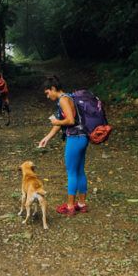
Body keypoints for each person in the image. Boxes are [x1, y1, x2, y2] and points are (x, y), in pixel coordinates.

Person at [37, 75, 88, 216]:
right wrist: (47, 137)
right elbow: (62, 121)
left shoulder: (63, 100)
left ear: (53, 89)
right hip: (82, 137)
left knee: (72, 173)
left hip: (75, 139)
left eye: (48, 93)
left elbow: (69, 121)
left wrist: (56, 122)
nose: (48, 96)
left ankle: (70, 206)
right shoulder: (68, 97)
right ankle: (82, 204)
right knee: (80, 171)